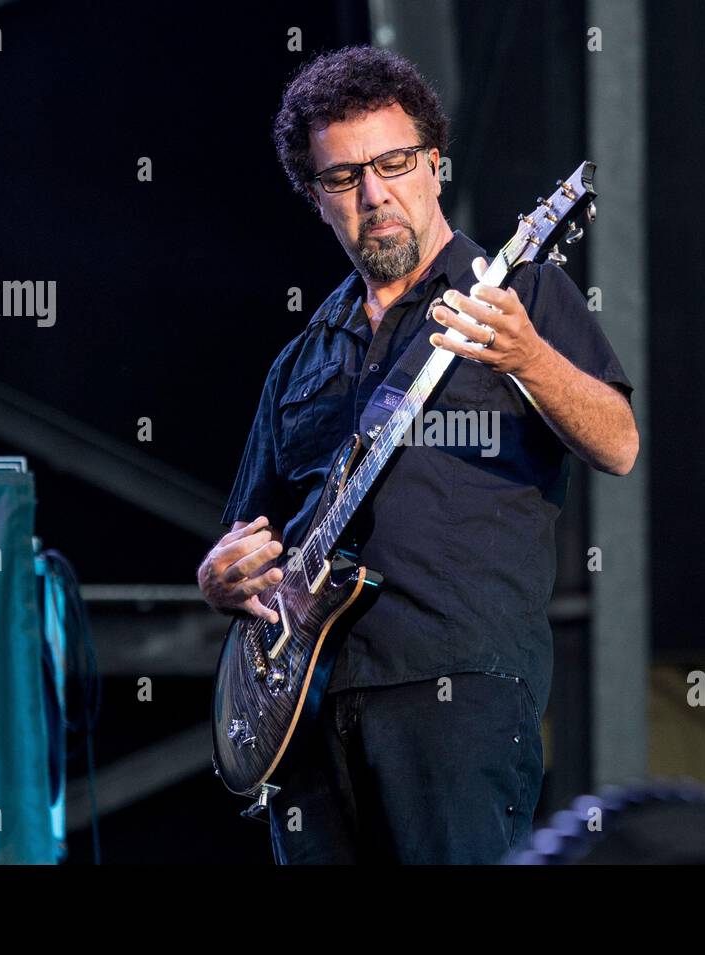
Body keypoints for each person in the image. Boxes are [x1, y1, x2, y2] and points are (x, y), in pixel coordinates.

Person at [197, 45, 637, 864]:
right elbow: (245, 533)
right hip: (305, 711)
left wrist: (526, 357)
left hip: (457, 689)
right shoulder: (300, 360)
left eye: (394, 162)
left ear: (434, 164)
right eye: (343, 177)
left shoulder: (519, 296)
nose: (374, 192)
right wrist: (221, 574)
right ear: (316, 198)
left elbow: (618, 443)